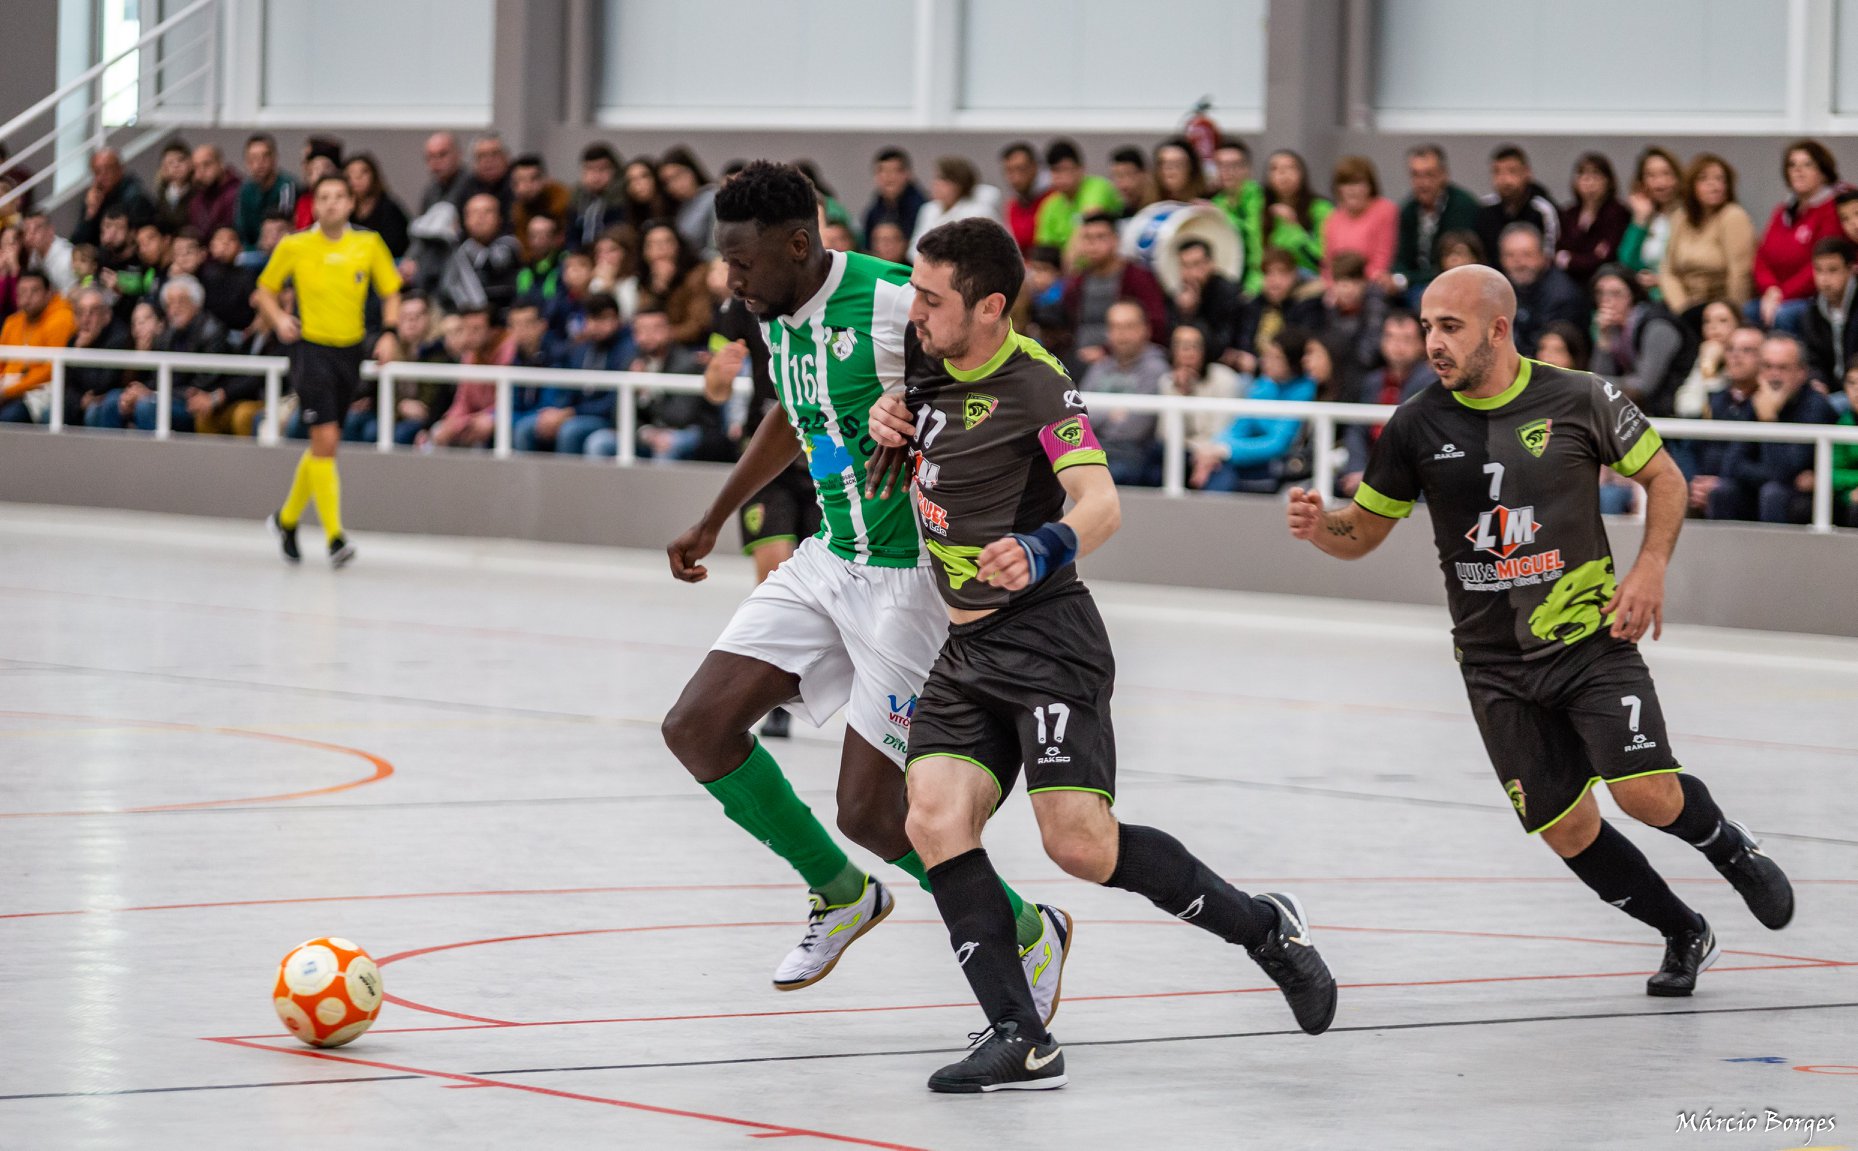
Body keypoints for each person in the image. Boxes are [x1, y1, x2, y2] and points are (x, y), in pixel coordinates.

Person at [867, 216, 1337, 1093]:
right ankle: (1021, 1033)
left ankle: (1267, 929)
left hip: (1047, 640)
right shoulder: (924, 359)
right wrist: (887, 418)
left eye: (932, 299)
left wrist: (1042, 546)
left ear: (990, 306)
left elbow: (1101, 501)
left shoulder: (1038, 383)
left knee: (1079, 846)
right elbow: (910, 442)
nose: (915, 312)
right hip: (963, 648)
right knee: (931, 819)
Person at [1286, 262, 1794, 1000]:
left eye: (1449, 327)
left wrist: (1649, 570)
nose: (1432, 341)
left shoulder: (1581, 395)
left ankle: (1730, 847)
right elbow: (1360, 531)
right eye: (1426, 325)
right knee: (1566, 826)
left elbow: (1668, 479)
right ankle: (1682, 929)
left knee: (1644, 793)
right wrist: (1318, 528)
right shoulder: (1415, 424)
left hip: (1590, 639)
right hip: (1493, 666)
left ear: (1498, 328)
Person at [659, 162, 1057, 1011]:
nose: (730, 280)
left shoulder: (890, 301)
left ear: (798, 245)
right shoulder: (772, 313)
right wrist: (714, 513)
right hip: (826, 555)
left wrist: (919, 416)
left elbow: (996, 371)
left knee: (875, 813)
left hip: (911, 581)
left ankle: (1028, 927)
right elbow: (791, 414)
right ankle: (840, 892)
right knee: (696, 726)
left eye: (741, 262)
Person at [256, 174, 402, 568]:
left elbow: (391, 291)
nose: (333, 204)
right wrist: (279, 318)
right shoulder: (295, 245)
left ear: (352, 203)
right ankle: (336, 538)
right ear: (314, 206)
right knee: (328, 437)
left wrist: (389, 333)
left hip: (350, 350)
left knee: (323, 444)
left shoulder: (368, 244)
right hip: (310, 349)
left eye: (340, 197)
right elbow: (265, 289)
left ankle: (286, 520)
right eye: (324, 197)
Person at [1705, 333, 1839, 523]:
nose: (1774, 375)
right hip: (1767, 488)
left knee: (1773, 493)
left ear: (1801, 372)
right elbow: (1732, 464)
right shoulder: (1756, 401)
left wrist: (1769, 420)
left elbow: (1788, 468)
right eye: (1768, 367)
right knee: (1724, 491)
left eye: (1782, 368)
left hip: (1801, 500)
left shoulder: (1816, 407)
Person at [1201, 328, 1320, 493]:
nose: (1266, 361)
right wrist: (1216, 448)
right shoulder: (1263, 384)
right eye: (1267, 355)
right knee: (1215, 466)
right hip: (1252, 460)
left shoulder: (1305, 391)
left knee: (1223, 472)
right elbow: (1239, 426)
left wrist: (1227, 451)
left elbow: (1278, 444)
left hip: (1283, 465)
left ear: (1293, 363)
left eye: (1276, 357)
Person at [1338, 309, 1438, 497]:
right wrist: (1358, 469)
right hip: (1368, 471)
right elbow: (1356, 430)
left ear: (1421, 344)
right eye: (1391, 337)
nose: (1398, 346)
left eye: (1406, 339)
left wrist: (1377, 477)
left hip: (1411, 478)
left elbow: (1416, 440)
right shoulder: (1372, 381)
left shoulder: (1432, 384)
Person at [1753, 140, 1844, 334]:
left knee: (1782, 315)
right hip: (1778, 295)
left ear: (1823, 172)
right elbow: (1762, 257)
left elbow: (1822, 265)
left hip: (1812, 297)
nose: (1798, 171)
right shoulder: (1782, 211)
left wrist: (1782, 296)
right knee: (1748, 310)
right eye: (1792, 165)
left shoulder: (1830, 210)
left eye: (1807, 164)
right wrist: (1770, 289)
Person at [1059, 211, 1168, 368]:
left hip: (1126, 360)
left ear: (1116, 240)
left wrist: (1106, 351)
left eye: (1100, 237)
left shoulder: (1138, 277)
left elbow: (1156, 325)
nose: (1093, 245)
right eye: (1087, 238)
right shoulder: (1077, 281)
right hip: (1078, 357)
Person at [1076, 298, 1167, 485]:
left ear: (1146, 329)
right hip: (1089, 449)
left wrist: (1097, 418)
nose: (1121, 334)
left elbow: (1135, 429)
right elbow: (1078, 416)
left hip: (1131, 455)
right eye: (1115, 327)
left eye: (1129, 326)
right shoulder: (1099, 367)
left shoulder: (1156, 369)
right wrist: (1112, 413)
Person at [1589, 264, 1694, 415]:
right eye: (1600, 293)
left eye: (1616, 293)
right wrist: (1604, 339)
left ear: (1632, 294)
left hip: (1676, 410)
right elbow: (1598, 375)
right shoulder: (1615, 329)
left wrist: (1595, 385)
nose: (1607, 301)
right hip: (1642, 409)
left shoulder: (1658, 325)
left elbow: (1644, 385)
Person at [1660, 154, 1754, 316]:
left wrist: (1732, 315)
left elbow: (1740, 274)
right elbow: (1668, 272)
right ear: (1691, 185)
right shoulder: (1681, 217)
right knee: (1649, 319)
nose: (1714, 185)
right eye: (1704, 179)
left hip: (1718, 306)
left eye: (1720, 179)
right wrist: (1682, 308)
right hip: (1684, 306)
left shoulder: (1733, 216)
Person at [1394, 144, 1480, 305]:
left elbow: (1453, 263)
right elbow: (1400, 259)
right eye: (1416, 175)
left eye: (1429, 175)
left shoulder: (1462, 206)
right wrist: (1395, 278)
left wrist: (1405, 279)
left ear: (1444, 175)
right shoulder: (1408, 210)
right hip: (1413, 287)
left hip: (1455, 285)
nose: (1422, 183)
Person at [1170, 323, 1245, 489]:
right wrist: (1181, 394)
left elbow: (1223, 431)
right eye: (1181, 347)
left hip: (1215, 453)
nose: (1188, 353)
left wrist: (1203, 456)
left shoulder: (1225, 379)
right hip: (1183, 453)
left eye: (1193, 346)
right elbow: (1167, 436)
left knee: (1223, 477)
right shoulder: (1167, 382)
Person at [1498, 222, 1586, 356]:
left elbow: (1550, 354)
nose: (1519, 263)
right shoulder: (1503, 288)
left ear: (1543, 256)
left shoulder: (1562, 297)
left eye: (1527, 254)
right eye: (1510, 255)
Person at [0, 270, 76, 423]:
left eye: (34, 291)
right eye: (22, 291)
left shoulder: (61, 319)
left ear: (48, 293)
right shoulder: (12, 322)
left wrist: (9, 391)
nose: (27, 298)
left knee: (9, 417)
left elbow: (51, 370)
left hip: (39, 391)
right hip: (8, 388)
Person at [439, 193, 523, 320]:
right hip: (471, 324)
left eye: (488, 212)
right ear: (465, 221)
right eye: (474, 213)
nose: (480, 218)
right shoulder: (458, 257)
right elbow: (448, 291)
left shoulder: (515, 249)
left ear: (500, 218)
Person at [1032, 139, 1122, 255]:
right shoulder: (1049, 205)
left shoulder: (1098, 187)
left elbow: (1088, 227)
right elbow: (1044, 250)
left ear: (1080, 168)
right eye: (1055, 170)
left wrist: (1068, 271)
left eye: (1065, 169)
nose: (1060, 176)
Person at [1556, 152, 1629, 289]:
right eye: (1583, 175)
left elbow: (1605, 257)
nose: (1589, 182)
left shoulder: (1617, 213)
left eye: (1595, 175)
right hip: (1571, 280)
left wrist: (1572, 259)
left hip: (1604, 277)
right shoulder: (1569, 213)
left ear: (1608, 180)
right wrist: (1589, 255)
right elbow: (1559, 252)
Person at [1475, 144, 1559, 264]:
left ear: (1527, 172)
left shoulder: (1542, 209)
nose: (1504, 179)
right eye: (1497, 172)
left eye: (1512, 171)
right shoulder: (1485, 207)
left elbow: (1550, 254)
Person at [1323, 156, 1397, 286]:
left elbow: (1383, 259)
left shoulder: (1385, 210)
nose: (1352, 189)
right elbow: (1328, 264)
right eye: (1345, 183)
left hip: (1372, 284)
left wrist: (1353, 283)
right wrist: (1333, 286)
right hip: (1338, 287)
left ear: (1370, 186)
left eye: (1358, 183)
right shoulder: (1333, 219)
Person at [1167, 237, 1244, 363]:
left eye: (1196, 264)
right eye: (1185, 265)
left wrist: (1193, 313)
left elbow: (1219, 347)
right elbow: (1171, 343)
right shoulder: (1177, 296)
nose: (1191, 273)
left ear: (1211, 264)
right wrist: (1183, 313)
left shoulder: (1228, 294)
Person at [1618, 146, 1682, 293]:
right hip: (1646, 297)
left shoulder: (1689, 215)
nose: (1660, 183)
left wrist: (1661, 281)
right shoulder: (1644, 216)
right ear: (1642, 182)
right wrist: (1641, 219)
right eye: (1651, 176)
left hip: (1678, 296)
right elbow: (1626, 263)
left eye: (1666, 174)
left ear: (1677, 178)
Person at [909, 157, 997, 260]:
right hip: (927, 268)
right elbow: (914, 248)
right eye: (936, 178)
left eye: (942, 179)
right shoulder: (928, 209)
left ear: (958, 184)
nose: (935, 184)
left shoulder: (980, 212)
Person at [1262, 149, 1330, 276]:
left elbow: (1321, 259)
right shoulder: (1261, 209)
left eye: (1290, 168)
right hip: (1272, 280)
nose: (1283, 174)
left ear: (1302, 173)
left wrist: (1294, 227)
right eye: (1275, 169)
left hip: (1310, 277)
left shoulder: (1320, 208)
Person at [1212, 137, 1267, 294]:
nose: (1227, 172)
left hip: (1260, 278)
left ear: (1248, 169)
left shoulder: (1257, 196)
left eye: (1234, 166)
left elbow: (1254, 238)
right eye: (1221, 166)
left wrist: (1219, 217)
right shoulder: (1217, 202)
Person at [1800, 237, 1858, 384]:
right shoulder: (1812, 311)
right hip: (1831, 390)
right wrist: (1817, 381)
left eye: (1833, 270)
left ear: (1850, 270)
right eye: (1818, 270)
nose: (1824, 279)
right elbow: (1813, 359)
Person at [71, 147, 153, 246]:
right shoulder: (95, 195)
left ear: (120, 169)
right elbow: (76, 243)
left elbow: (132, 242)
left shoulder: (134, 196)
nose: (102, 177)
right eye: (97, 172)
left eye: (107, 170)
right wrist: (90, 213)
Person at [344, 153, 410, 259]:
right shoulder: (343, 209)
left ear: (373, 176)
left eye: (363, 172)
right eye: (351, 173)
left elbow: (396, 245)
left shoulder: (389, 208)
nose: (357, 177)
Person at [658, 146, 718, 255]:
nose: (672, 185)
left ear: (691, 171)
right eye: (666, 181)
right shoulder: (679, 207)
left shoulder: (712, 198)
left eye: (676, 176)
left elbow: (715, 248)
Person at [863, 147, 927, 246]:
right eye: (882, 171)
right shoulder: (873, 211)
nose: (888, 177)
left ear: (908, 174)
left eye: (895, 171)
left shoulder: (922, 209)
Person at [568, 143, 626, 251]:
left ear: (615, 170)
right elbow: (572, 235)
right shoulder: (577, 197)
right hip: (582, 256)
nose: (595, 176)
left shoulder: (624, 198)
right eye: (590, 169)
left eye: (602, 169)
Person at [998, 141, 1050, 257]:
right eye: (1009, 171)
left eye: (1020, 169)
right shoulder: (1012, 206)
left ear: (1035, 167)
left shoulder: (1053, 199)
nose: (1015, 178)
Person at [188, 144, 242, 239]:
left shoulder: (237, 193)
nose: (200, 172)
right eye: (196, 167)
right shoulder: (196, 201)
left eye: (206, 165)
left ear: (220, 164)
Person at [1834, 366, 1858, 527]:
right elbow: (1832, 472)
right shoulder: (1843, 422)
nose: (1857, 390)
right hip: (1848, 496)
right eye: (1851, 383)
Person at [1107, 146, 1156, 220]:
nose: (1123, 185)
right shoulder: (1121, 216)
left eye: (1128, 174)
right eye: (1117, 176)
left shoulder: (1162, 209)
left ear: (1145, 174)